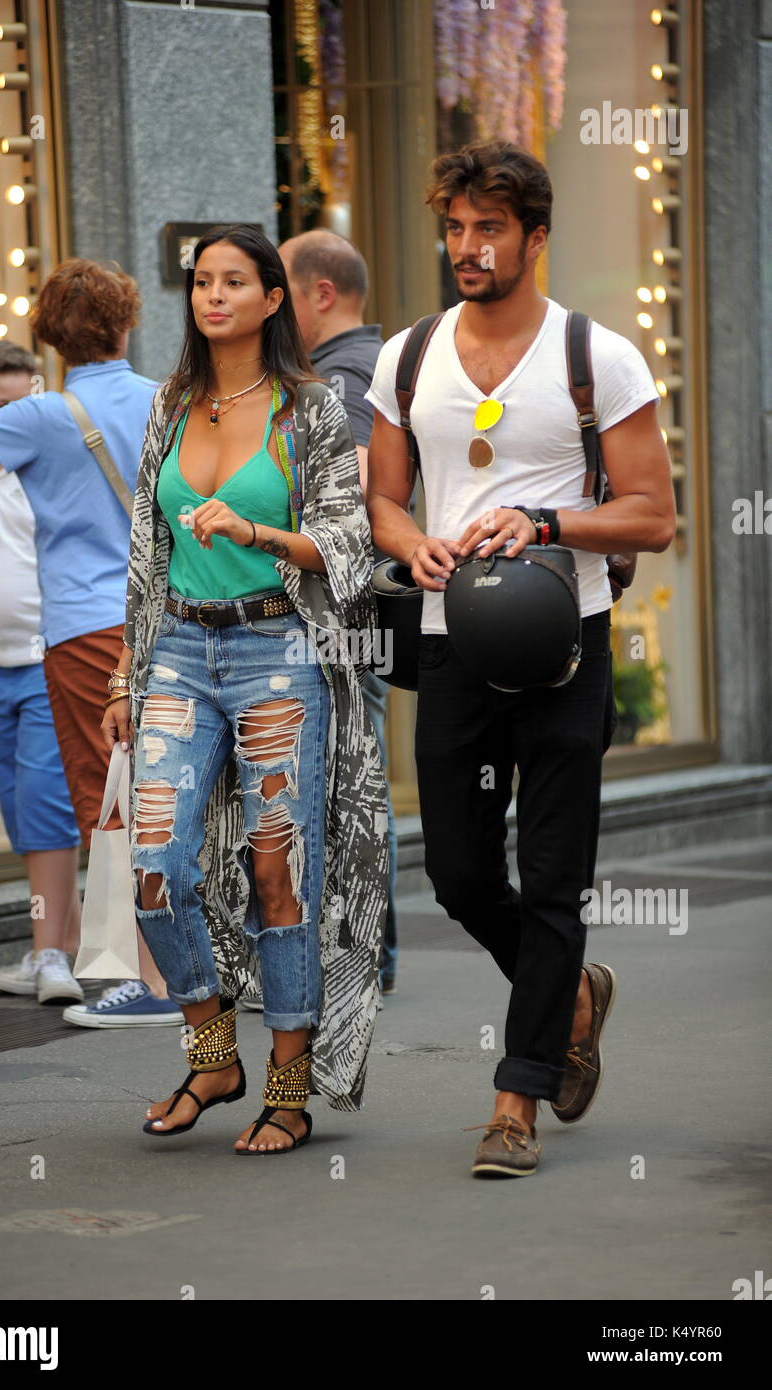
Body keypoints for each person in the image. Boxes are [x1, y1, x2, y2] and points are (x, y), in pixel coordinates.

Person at [365, 141, 676, 1178]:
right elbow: (383, 500)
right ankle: (576, 994)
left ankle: (517, 1096)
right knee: (457, 873)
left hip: (564, 643)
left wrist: (545, 521)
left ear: (534, 237)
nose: (466, 246)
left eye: (487, 228)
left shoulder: (599, 356)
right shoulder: (407, 356)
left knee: (553, 879)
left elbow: (654, 516)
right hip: (452, 642)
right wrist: (416, 546)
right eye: (453, 227)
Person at [103, 222, 388, 1153]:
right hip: (181, 649)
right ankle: (211, 1049)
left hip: (278, 652)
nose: (212, 295)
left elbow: (351, 547)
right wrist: (122, 674)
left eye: (234, 282)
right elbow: (145, 554)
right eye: (201, 282)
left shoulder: (307, 407)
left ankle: (290, 1086)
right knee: (157, 866)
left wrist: (260, 535)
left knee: (279, 872)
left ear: (274, 299)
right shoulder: (170, 404)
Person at [0, 259, 179, 1027]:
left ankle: (154, 984)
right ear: (126, 322)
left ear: (51, 338)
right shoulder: (167, 397)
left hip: (88, 630)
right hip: (171, 619)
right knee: (168, 791)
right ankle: (184, 969)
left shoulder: (42, 415)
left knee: (114, 802)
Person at [279, 228, 399, 995]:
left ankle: (364, 956)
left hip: (339, 616)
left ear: (320, 295)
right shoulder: (363, 365)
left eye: (277, 289)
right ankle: (359, 953)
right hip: (341, 615)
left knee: (348, 783)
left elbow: (353, 488)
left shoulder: (348, 377)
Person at [0, 339, 83, 1005]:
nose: (17, 423)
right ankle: (64, 944)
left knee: (43, 813)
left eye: (28, 405)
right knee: (19, 815)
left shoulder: (51, 471)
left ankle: (49, 953)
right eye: (1, 409)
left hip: (42, 659)